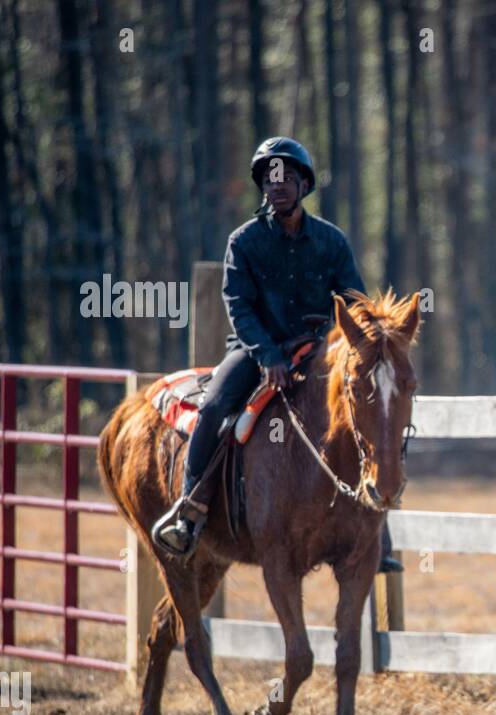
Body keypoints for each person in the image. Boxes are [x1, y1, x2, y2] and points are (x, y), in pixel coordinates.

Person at [152, 137, 403, 572]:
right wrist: (268, 355)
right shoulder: (243, 242)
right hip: (256, 353)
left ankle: (377, 538)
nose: (278, 185)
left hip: (321, 352)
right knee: (213, 407)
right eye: (270, 178)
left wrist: (360, 344)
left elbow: (354, 302)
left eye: (287, 177)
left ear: (304, 184)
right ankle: (190, 512)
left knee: (363, 414)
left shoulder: (331, 241)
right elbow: (238, 306)